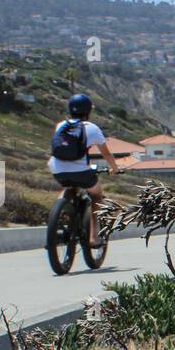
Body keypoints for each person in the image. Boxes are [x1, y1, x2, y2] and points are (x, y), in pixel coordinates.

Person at [48, 93, 119, 248]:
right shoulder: (92, 128)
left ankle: (57, 220)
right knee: (96, 195)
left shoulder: (60, 125)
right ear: (88, 111)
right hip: (80, 171)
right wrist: (115, 168)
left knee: (67, 187)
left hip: (57, 168)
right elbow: (106, 153)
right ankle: (94, 237)